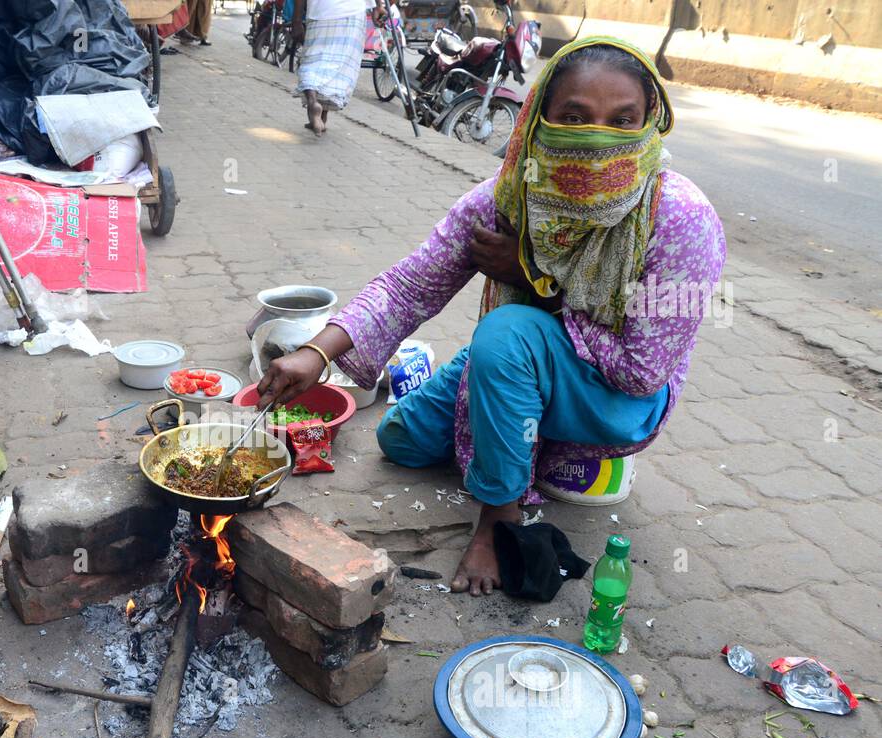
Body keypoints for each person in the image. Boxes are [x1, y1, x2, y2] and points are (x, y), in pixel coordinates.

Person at [255, 37, 726, 595]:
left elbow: (642, 371)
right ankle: (508, 398)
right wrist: (316, 353)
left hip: (620, 397)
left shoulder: (682, 218)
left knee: (504, 335)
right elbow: (411, 285)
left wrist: (534, 282)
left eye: (622, 121)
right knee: (400, 439)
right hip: (534, 351)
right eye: (576, 118)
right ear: (539, 121)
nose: (599, 140)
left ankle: (499, 515)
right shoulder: (505, 199)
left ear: (651, 122)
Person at [293, 0, 386, 135]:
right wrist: (378, 6)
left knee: (313, 61)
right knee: (337, 67)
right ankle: (321, 116)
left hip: (321, 12)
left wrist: (296, 20)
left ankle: (314, 104)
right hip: (353, 13)